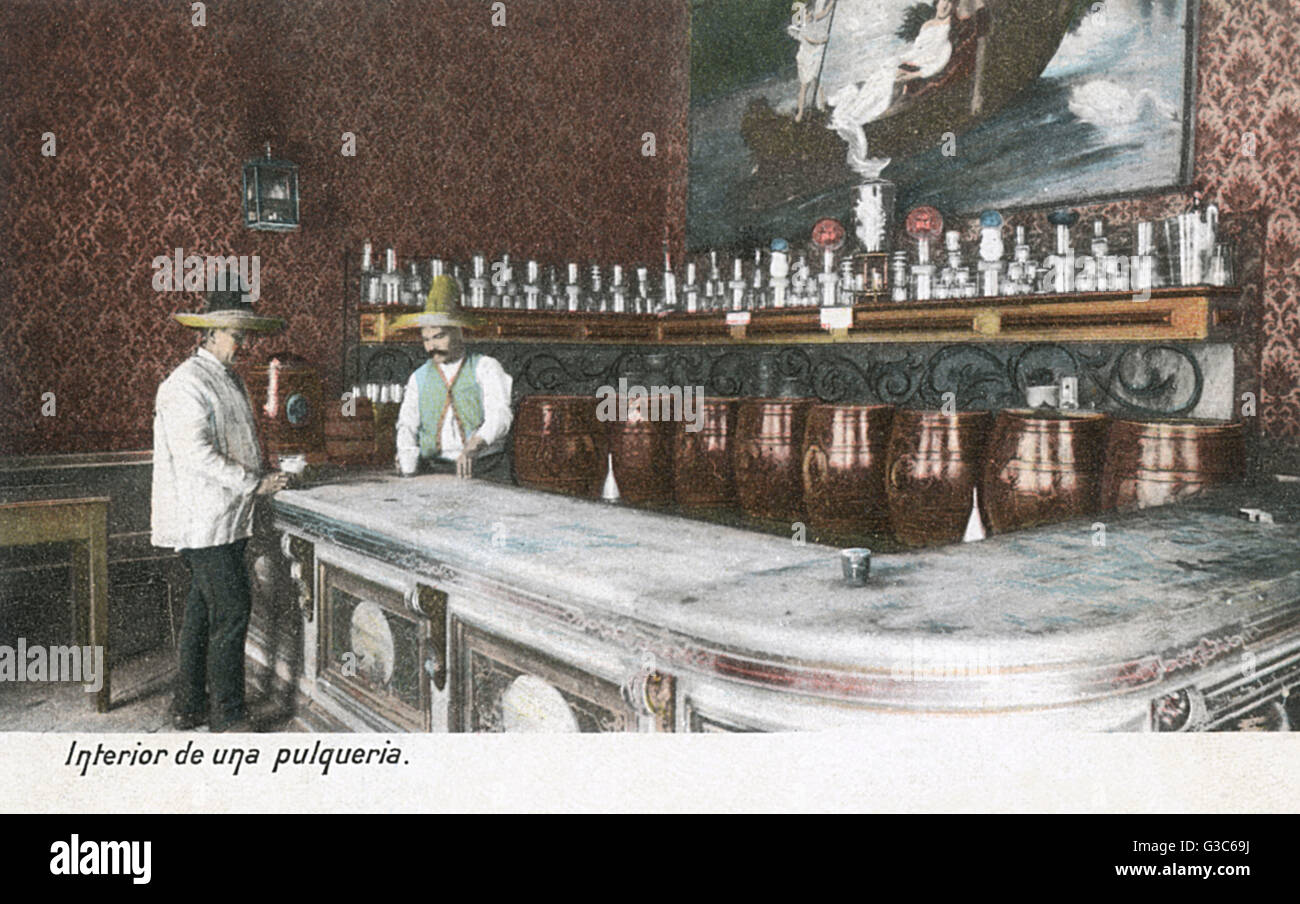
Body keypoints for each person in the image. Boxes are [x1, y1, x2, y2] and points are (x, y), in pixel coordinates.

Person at [151, 290, 290, 732]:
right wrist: (255, 482)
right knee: (231, 612)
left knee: (202, 612)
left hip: (226, 518)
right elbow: (198, 455)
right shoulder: (185, 384)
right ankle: (227, 715)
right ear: (209, 334)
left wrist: (263, 471)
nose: (243, 344)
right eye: (234, 335)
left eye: (245, 336)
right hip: (204, 520)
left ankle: (189, 705)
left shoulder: (226, 377)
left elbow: (237, 441)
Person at [393, 275, 514, 480]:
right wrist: (405, 453)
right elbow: (406, 424)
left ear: (459, 333)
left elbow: (500, 416)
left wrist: (471, 449)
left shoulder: (486, 367)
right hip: (435, 471)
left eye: (439, 337)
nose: (432, 347)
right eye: (426, 339)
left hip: (485, 469)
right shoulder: (418, 378)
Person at [827, 0, 956, 161]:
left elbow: (938, 63)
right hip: (908, 63)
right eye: (943, 1)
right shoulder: (928, 24)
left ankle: (858, 116)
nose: (945, 5)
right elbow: (915, 51)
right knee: (881, 72)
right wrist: (897, 60)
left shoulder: (947, 30)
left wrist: (911, 75)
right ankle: (851, 111)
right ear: (937, 3)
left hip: (917, 71)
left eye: (950, 3)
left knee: (886, 82)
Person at [788, 0, 836, 122]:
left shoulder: (813, 18)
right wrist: (822, 41)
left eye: (810, 12)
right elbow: (810, 40)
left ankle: (822, 107)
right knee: (804, 85)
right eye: (806, 13)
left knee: (818, 82)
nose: (809, 15)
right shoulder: (802, 27)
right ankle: (800, 113)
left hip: (814, 56)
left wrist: (832, 3)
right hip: (805, 58)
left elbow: (825, 12)